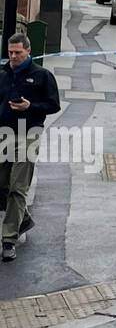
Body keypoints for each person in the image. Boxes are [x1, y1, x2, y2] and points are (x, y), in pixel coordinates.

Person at [0, 33, 60, 262]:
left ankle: (8, 240)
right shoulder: (4, 74)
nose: (13, 56)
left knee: (17, 187)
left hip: (28, 133)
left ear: (28, 51)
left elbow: (53, 105)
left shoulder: (42, 75)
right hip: (3, 134)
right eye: (10, 52)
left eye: (18, 52)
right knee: (2, 184)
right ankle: (22, 218)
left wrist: (30, 106)